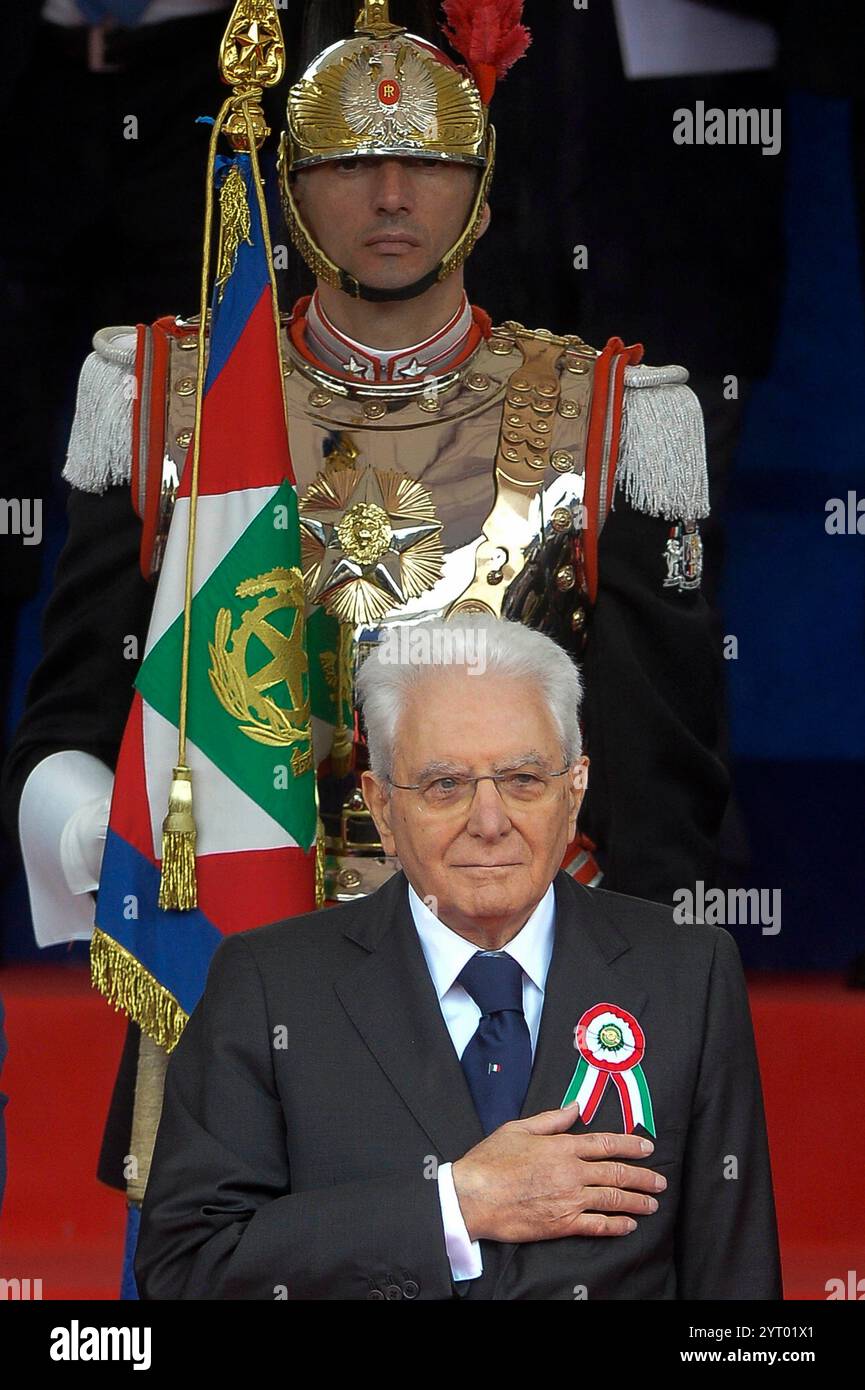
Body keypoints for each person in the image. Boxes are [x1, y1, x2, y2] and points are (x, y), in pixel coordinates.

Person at [0, 0, 728, 1272]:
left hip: (524, 1000)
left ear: (484, 192)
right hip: (235, 976)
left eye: (428, 165)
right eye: (346, 163)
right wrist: (130, 846)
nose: (391, 196)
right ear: (286, 191)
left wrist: (624, 1035)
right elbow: (65, 727)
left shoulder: (610, 416)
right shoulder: (164, 401)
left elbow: (662, 803)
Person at [134, 615, 781, 1300]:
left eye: (523, 778)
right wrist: (453, 1205)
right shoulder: (267, 986)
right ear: (381, 807)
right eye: (445, 785)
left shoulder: (690, 971)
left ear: (575, 788)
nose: (489, 819)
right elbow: (189, 1271)